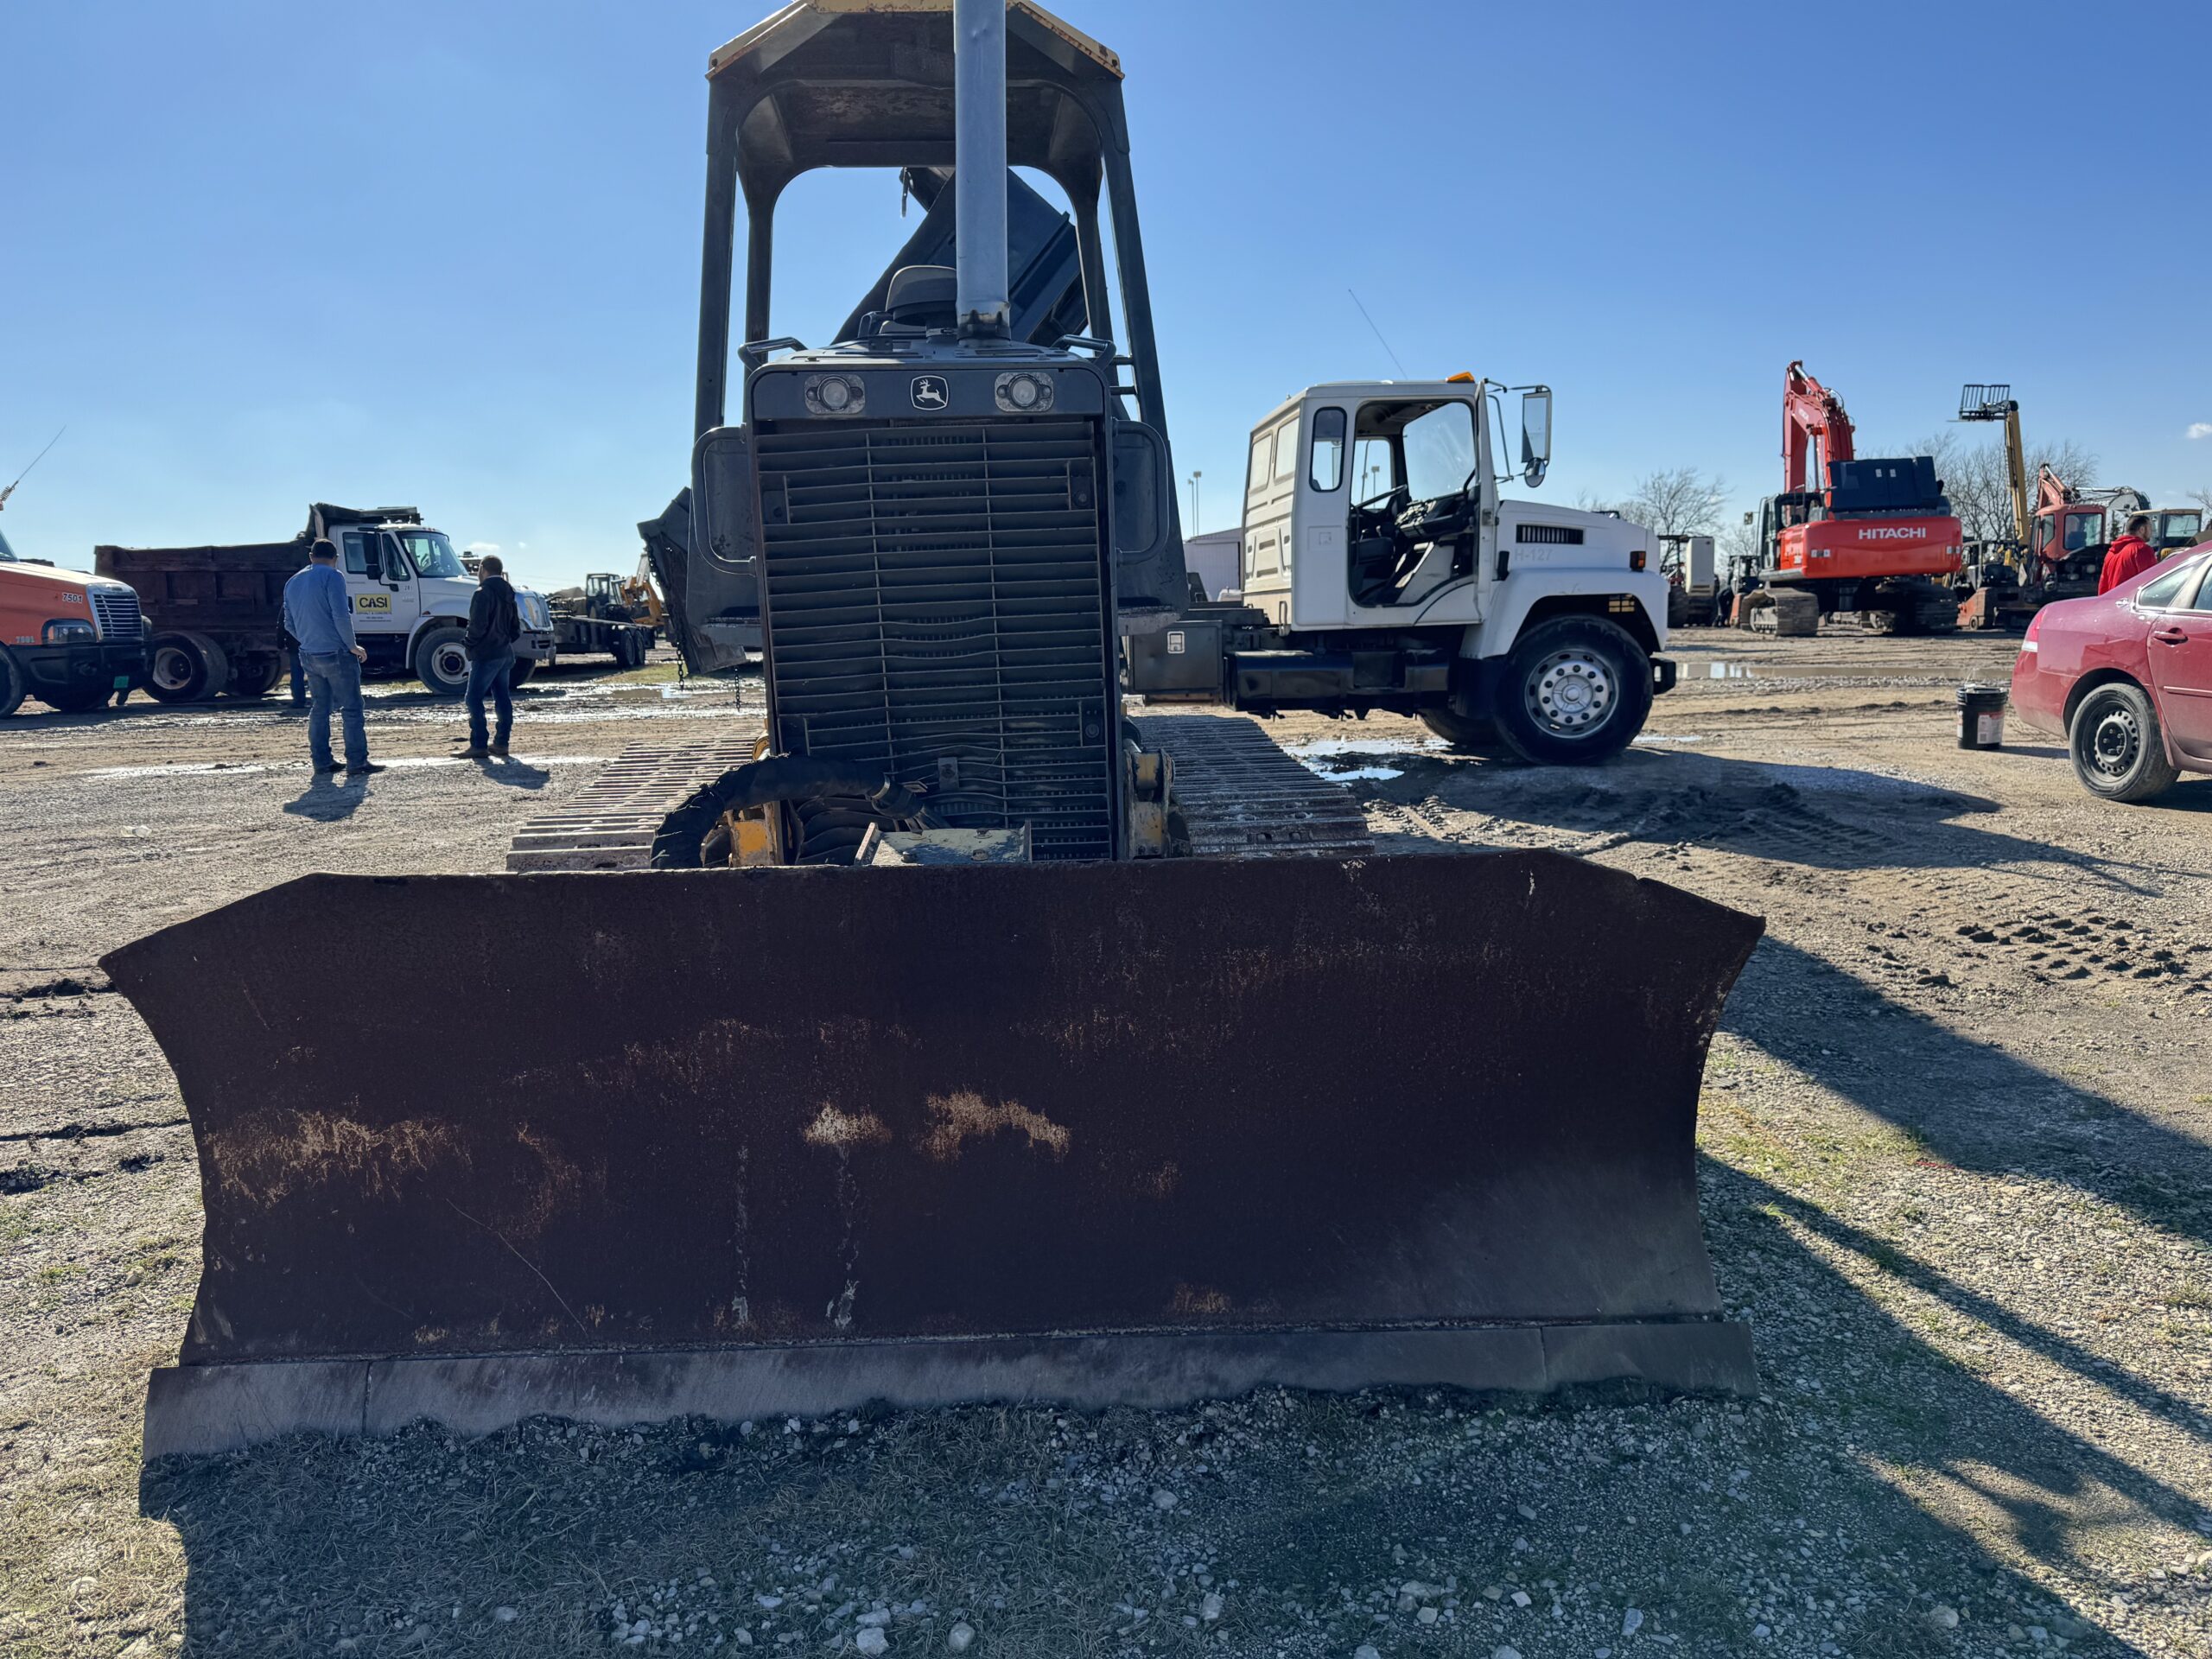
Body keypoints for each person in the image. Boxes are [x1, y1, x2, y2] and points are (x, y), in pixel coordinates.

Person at [280, 538, 383, 778]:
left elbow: (289, 623)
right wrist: (352, 645)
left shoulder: (292, 581)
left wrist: (308, 639)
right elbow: (340, 614)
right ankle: (357, 762)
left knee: (319, 709)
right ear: (335, 558)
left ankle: (322, 761)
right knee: (352, 709)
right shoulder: (334, 576)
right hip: (336, 653)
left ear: (311, 557)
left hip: (308, 653)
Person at [458, 553, 520, 760]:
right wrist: (505, 641)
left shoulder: (482, 592)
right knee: (502, 696)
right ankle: (502, 743)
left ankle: (479, 744)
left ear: (482, 569)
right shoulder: (509, 591)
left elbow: (477, 626)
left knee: (473, 698)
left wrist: (468, 643)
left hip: (486, 653)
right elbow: (516, 628)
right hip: (504, 652)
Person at [2099, 514, 2160, 594]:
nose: (2151, 532)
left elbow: (2103, 584)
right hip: (2131, 603)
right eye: (2150, 528)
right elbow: (2152, 582)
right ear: (2142, 529)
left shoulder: (2110, 553)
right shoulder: (2142, 549)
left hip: (2112, 602)